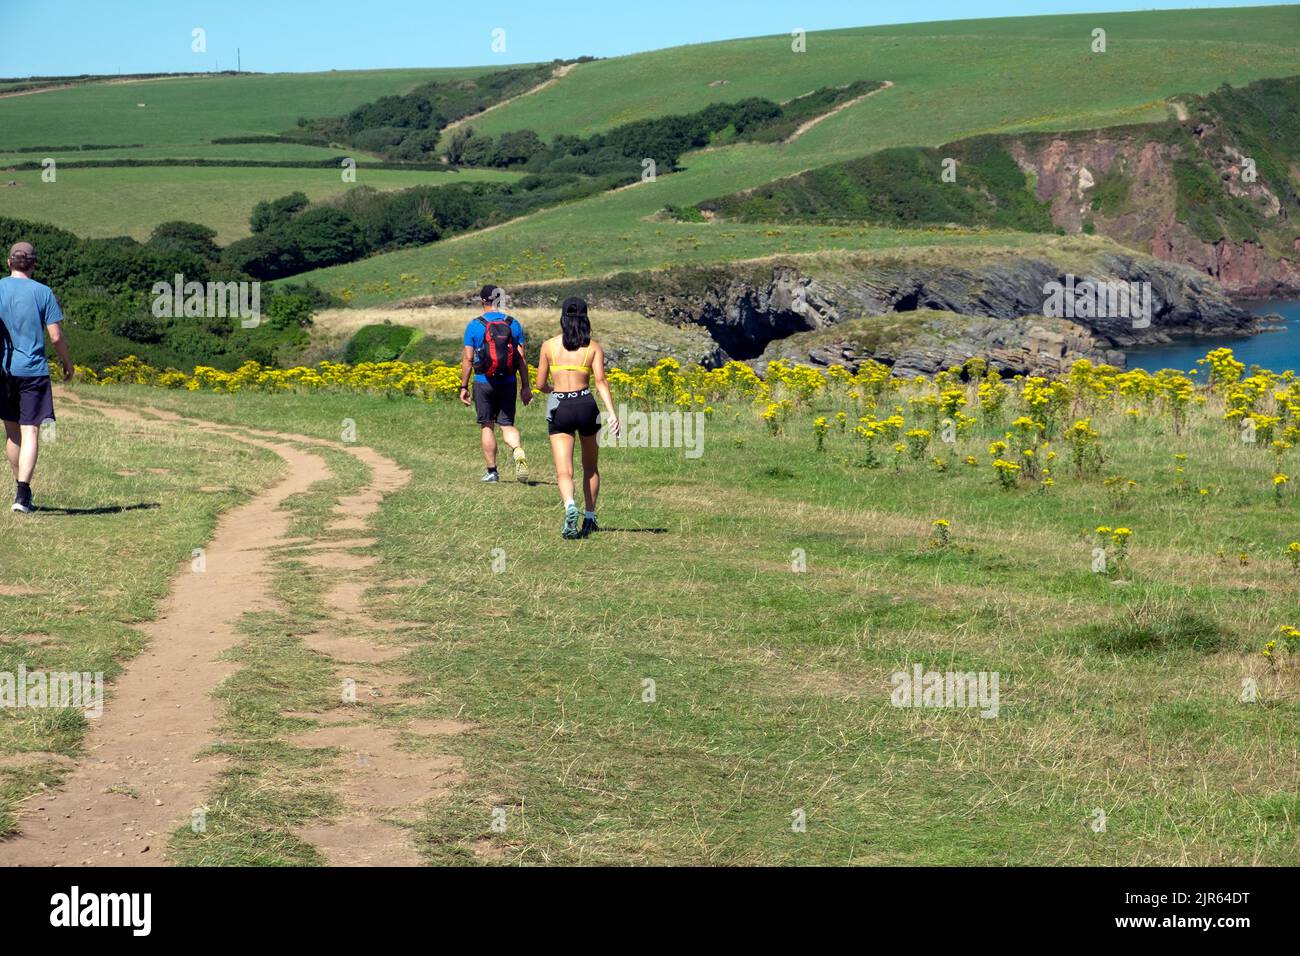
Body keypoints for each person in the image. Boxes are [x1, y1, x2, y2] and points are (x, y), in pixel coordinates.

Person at [534, 296, 619, 538]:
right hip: (586, 405)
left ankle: (570, 505)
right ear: (586, 318)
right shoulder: (593, 348)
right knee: (590, 467)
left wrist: (556, 391)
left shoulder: (548, 346)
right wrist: (612, 413)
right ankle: (590, 518)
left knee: (564, 471)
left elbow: (540, 384)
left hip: (560, 406)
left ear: (563, 318)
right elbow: (601, 381)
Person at [0, 242, 73, 514]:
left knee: (12, 434)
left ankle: (20, 491)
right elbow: (55, 336)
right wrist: (68, 364)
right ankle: (22, 493)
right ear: (33, 264)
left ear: (9, 263)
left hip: (4, 371)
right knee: (31, 431)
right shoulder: (43, 292)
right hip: (33, 371)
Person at [459, 285, 532, 482]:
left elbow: (468, 359)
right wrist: (525, 387)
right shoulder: (513, 323)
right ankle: (517, 450)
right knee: (507, 425)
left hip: (483, 381)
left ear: (483, 301)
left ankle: (492, 472)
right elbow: (521, 359)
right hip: (508, 381)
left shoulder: (474, 325)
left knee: (487, 426)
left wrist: (463, 386)